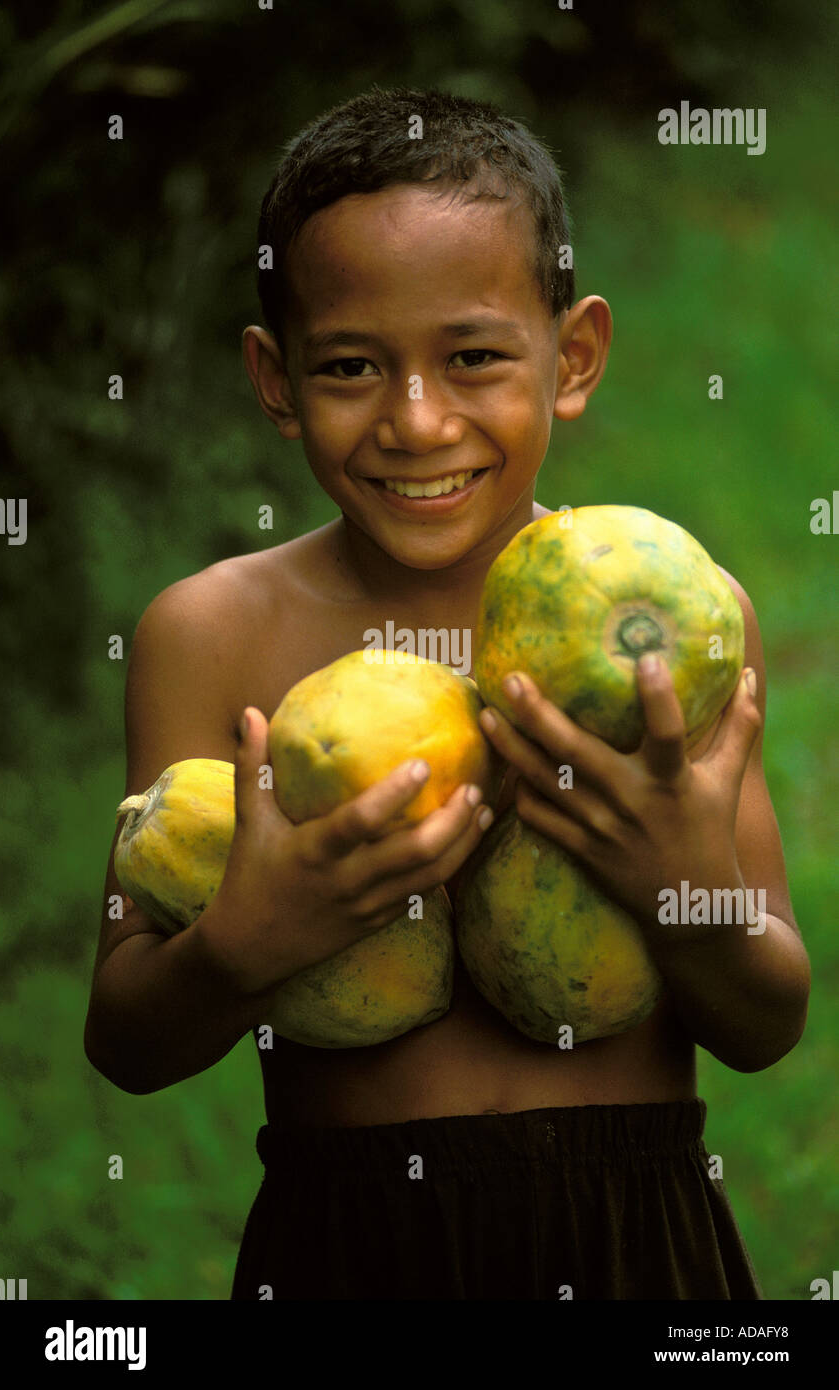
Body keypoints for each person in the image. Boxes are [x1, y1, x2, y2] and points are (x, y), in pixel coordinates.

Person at [84, 86, 810, 1300]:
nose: (417, 422)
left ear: (570, 357)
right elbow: (127, 1040)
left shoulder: (676, 617)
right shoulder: (210, 635)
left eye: (472, 357)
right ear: (274, 380)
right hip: (350, 1251)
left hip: (632, 1239)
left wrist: (680, 884)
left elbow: (764, 1022)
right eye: (352, 367)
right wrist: (239, 951)